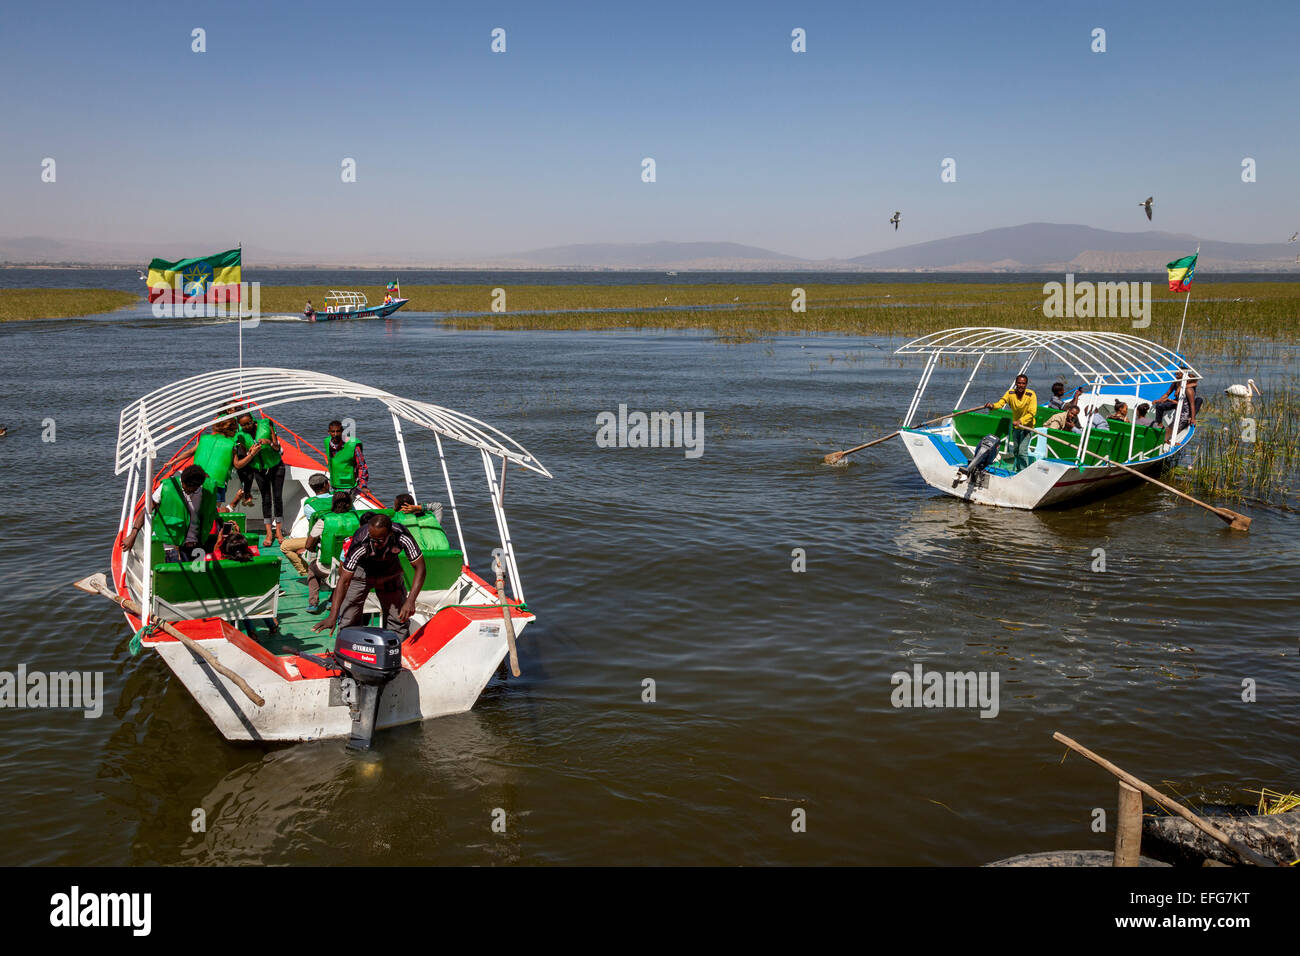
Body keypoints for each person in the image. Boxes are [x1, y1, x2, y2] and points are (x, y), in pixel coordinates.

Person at [312, 513, 426, 640]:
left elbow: (420, 568)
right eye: (372, 539)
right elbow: (344, 580)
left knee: (398, 619)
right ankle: (347, 650)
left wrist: (410, 601)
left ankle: (397, 652)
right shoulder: (361, 541)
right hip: (362, 573)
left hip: (390, 573)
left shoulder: (402, 535)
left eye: (380, 540)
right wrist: (333, 615)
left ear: (390, 533)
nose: (375, 544)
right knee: (349, 616)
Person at [120, 464, 217, 562]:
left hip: (197, 545)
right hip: (173, 547)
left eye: (193, 490)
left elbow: (207, 478)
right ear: (182, 481)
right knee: (177, 575)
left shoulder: (205, 491)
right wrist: (133, 534)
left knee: (198, 572)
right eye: (186, 488)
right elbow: (146, 510)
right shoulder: (166, 488)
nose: (189, 491)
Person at [299, 491, 358, 613]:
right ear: (349, 505)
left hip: (325, 568)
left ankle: (313, 603)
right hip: (350, 569)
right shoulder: (357, 519)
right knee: (339, 574)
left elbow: (309, 545)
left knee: (312, 569)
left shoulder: (324, 520)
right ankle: (332, 600)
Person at [234, 412, 286, 547]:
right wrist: (251, 451)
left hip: (276, 466)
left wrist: (268, 442)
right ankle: (269, 533)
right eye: (243, 425)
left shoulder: (266, 425)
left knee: (278, 498)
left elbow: (277, 448)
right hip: (259, 470)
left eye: (249, 423)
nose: (247, 426)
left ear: (253, 420)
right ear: (240, 425)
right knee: (266, 499)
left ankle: (279, 531)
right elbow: (245, 454)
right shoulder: (241, 436)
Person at [280, 474, 332, 574]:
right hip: (342, 535)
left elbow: (314, 527)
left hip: (320, 539)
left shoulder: (310, 504)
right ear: (327, 484)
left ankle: (306, 572)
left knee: (285, 546)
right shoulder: (340, 498)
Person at [985, 374, 1037, 471]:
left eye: (1023, 383)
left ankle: (1024, 472)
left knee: (1022, 451)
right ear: (1016, 383)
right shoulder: (1010, 393)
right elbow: (1000, 403)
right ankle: (1018, 470)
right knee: (1016, 451)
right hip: (1016, 428)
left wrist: (1020, 421)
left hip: (1027, 428)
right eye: (1019, 383)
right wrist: (992, 406)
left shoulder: (1031, 394)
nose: (1021, 385)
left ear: (1026, 384)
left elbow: (1031, 413)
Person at [194, 417, 239, 506]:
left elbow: (191, 451)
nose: (236, 433)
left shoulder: (204, 438)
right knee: (214, 511)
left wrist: (175, 461)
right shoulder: (231, 444)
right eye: (235, 430)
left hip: (197, 480)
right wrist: (252, 454)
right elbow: (237, 465)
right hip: (217, 484)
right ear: (229, 430)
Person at [325, 420, 368, 498]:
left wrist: (363, 486)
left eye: (338, 431)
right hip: (333, 484)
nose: (335, 434)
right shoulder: (327, 442)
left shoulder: (353, 445)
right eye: (333, 432)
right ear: (329, 432)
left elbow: (362, 466)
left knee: (344, 507)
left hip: (347, 486)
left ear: (342, 432)